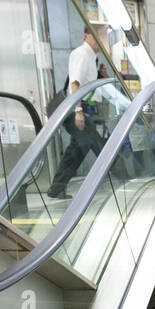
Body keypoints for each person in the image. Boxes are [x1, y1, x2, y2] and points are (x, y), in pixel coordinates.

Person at [47, 28, 104, 199]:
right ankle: (119, 178)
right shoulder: (81, 53)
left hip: (83, 107)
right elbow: (75, 84)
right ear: (86, 35)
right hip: (76, 108)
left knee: (81, 146)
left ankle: (57, 187)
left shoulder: (91, 57)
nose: (100, 41)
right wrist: (78, 110)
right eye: (97, 36)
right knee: (93, 145)